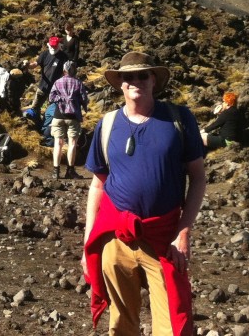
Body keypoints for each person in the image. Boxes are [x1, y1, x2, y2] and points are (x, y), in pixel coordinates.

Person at [82, 51, 206, 336]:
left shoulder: (178, 119)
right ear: (120, 84)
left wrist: (183, 232)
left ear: (154, 80)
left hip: (163, 237)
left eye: (142, 75)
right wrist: (90, 237)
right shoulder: (108, 124)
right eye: (128, 76)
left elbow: (198, 178)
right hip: (116, 237)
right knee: (121, 323)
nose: (135, 81)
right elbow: (98, 184)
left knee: (173, 324)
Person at [48, 60, 89, 179]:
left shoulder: (57, 82)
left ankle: (56, 171)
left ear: (64, 70)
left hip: (58, 115)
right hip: (73, 116)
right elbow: (84, 99)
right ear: (74, 70)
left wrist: (62, 98)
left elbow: (51, 98)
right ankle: (70, 171)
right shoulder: (78, 83)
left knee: (58, 143)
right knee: (72, 143)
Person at [27, 36, 69, 117]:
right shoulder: (44, 54)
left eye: (55, 46)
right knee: (35, 107)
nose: (53, 47)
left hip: (55, 89)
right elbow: (35, 64)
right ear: (49, 45)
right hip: (43, 86)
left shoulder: (63, 57)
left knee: (52, 109)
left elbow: (66, 72)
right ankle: (36, 120)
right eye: (52, 46)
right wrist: (28, 65)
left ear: (59, 45)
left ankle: (48, 125)